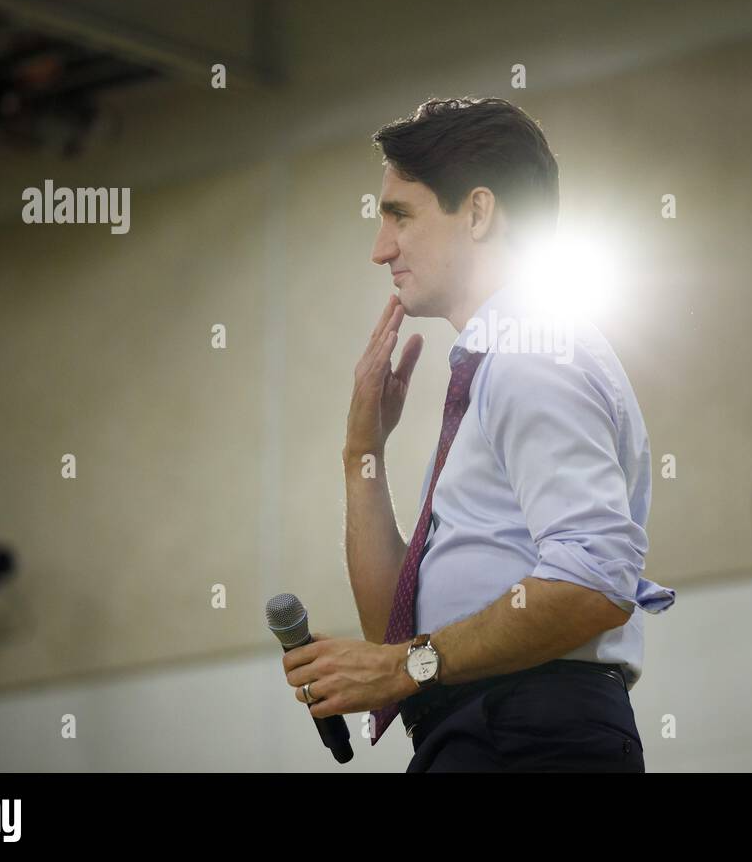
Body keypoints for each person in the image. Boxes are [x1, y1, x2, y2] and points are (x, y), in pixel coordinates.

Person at [280, 96, 675, 771]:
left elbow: (596, 578)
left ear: (479, 212)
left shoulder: (533, 352)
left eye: (400, 215)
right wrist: (362, 453)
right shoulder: (497, 366)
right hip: (483, 727)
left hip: (529, 731)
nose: (380, 250)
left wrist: (407, 667)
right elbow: (395, 634)